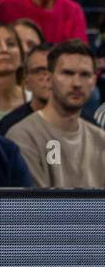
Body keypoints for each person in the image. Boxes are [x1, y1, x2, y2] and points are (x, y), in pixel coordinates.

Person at [6, 38, 105, 186]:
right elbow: (35, 205)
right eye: (67, 73)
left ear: (93, 82)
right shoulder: (23, 136)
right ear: (49, 79)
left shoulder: (100, 139)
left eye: (84, 75)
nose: (77, 83)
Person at [0, 41, 53, 134]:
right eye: (39, 71)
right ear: (26, 81)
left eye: (53, 69)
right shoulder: (9, 126)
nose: (47, 76)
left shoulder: (83, 122)